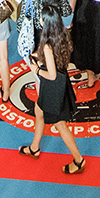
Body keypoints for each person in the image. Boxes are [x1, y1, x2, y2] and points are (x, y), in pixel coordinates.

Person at [21, 15, 86, 174]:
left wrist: (35, 69)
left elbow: (51, 75)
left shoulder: (47, 47)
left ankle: (79, 160)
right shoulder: (62, 35)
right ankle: (34, 147)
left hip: (52, 87)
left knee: (60, 125)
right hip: (60, 85)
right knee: (39, 110)